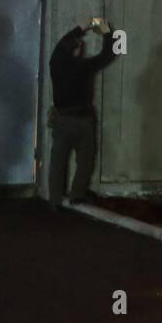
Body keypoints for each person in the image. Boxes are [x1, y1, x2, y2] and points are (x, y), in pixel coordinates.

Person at [48, 15, 118, 205]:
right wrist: (107, 32)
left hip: (62, 119)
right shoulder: (85, 67)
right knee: (86, 160)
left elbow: (61, 45)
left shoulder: (55, 64)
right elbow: (108, 55)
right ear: (78, 50)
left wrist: (81, 27)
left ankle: (55, 199)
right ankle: (77, 194)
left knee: (58, 161)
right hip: (83, 119)